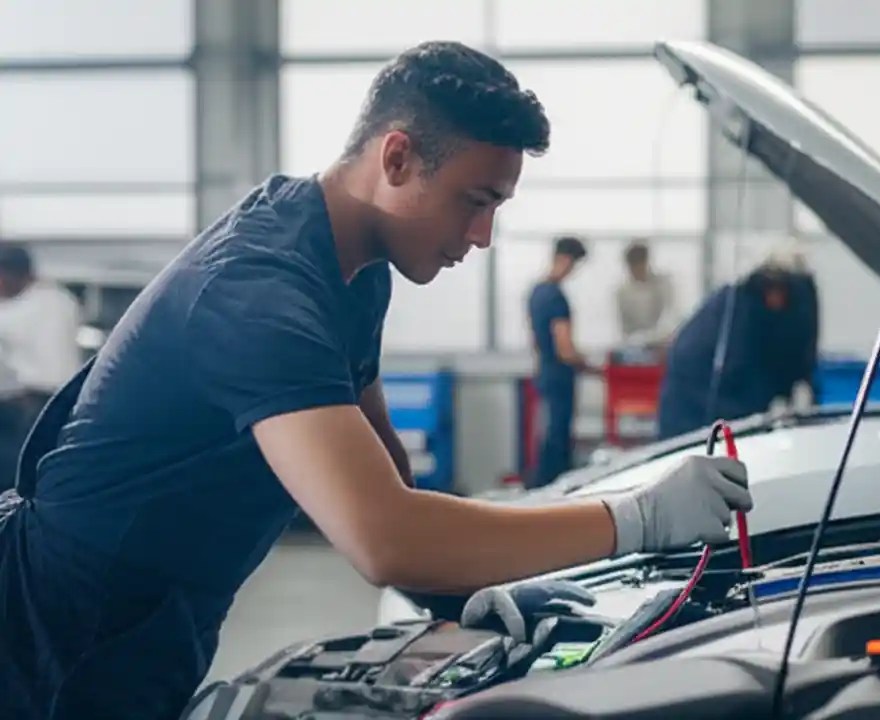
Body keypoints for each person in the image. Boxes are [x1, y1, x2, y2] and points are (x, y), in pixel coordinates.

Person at [0, 41, 752, 720]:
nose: (483, 236)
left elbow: (382, 466)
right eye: (475, 201)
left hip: (160, 614)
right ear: (396, 159)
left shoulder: (353, 270)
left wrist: (465, 587)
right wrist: (636, 517)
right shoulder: (259, 292)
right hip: (57, 629)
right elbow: (383, 537)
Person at [657, 246, 820, 440]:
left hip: (698, 409)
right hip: (699, 411)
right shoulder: (740, 312)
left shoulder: (757, 302)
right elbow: (737, 369)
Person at [0, 244, 82, 488]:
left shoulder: (20, 310)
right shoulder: (61, 298)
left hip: (28, 405)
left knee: (14, 478)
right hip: (64, 404)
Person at [527, 235, 595, 489]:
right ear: (565, 259)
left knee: (548, 435)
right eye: (574, 264)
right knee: (558, 439)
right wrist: (590, 366)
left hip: (544, 372)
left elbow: (536, 340)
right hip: (560, 377)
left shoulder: (536, 292)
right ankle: (552, 490)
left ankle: (541, 488)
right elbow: (565, 348)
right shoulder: (556, 297)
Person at [615, 239, 675, 347]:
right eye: (634, 268)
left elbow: (669, 315)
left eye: (640, 266)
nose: (637, 271)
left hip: (663, 342)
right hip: (636, 345)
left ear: (646, 263)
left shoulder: (662, 284)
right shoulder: (623, 292)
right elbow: (625, 327)